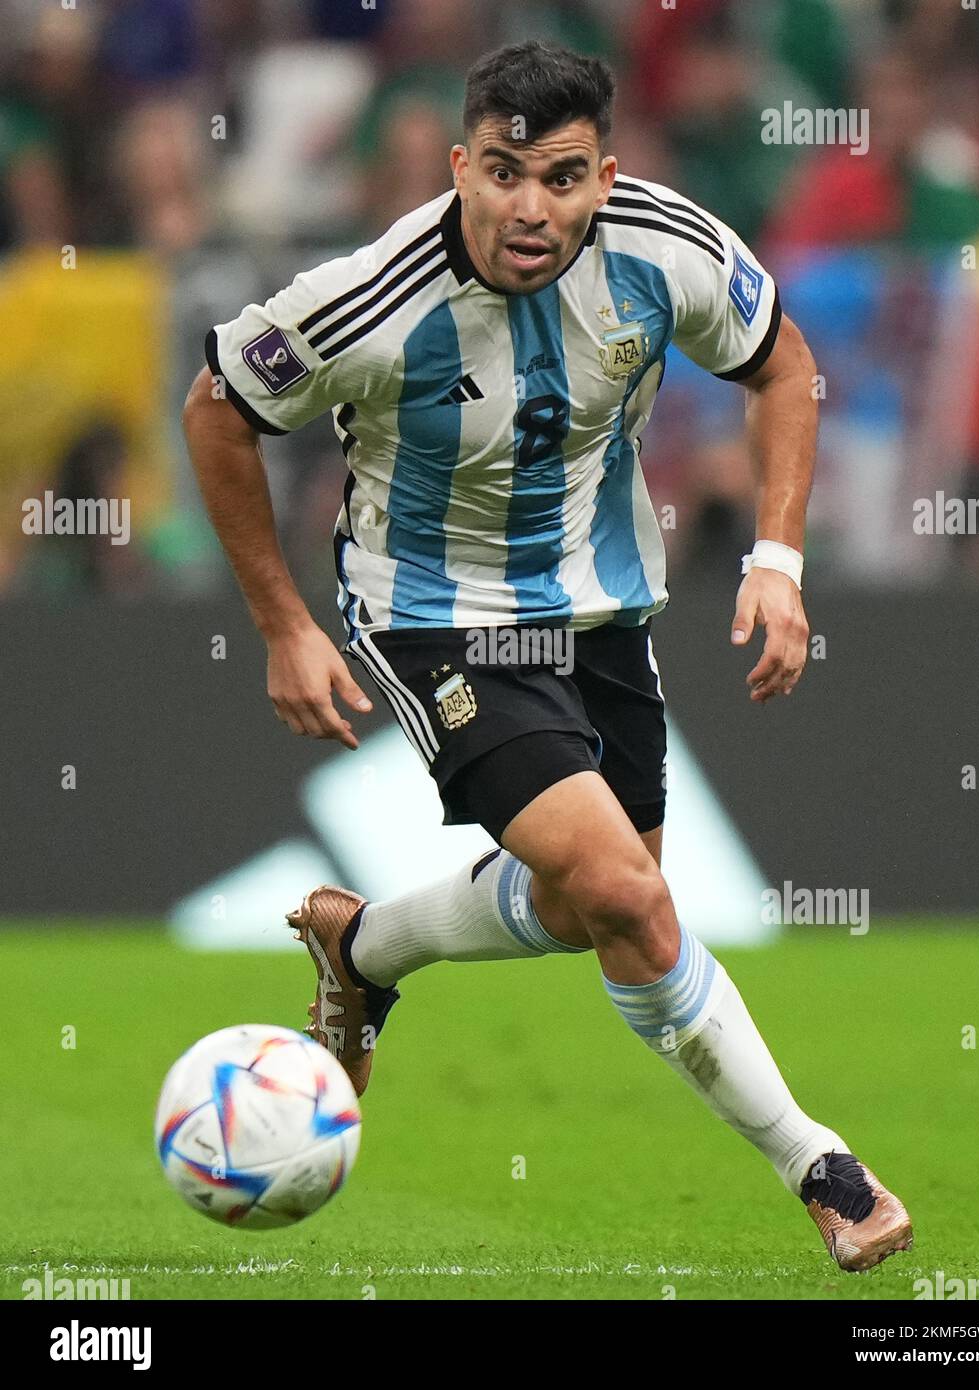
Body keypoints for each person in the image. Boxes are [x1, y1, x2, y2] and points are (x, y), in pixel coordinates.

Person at [182, 40, 912, 1273]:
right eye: (506, 173)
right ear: (461, 166)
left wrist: (776, 561)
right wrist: (283, 623)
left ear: (603, 175)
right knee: (629, 894)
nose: (532, 208)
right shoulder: (369, 298)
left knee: (588, 911)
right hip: (431, 615)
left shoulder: (664, 245)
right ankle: (820, 1166)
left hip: (603, 606)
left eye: (563, 178)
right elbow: (217, 409)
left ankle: (363, 950)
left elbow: (782, 365)